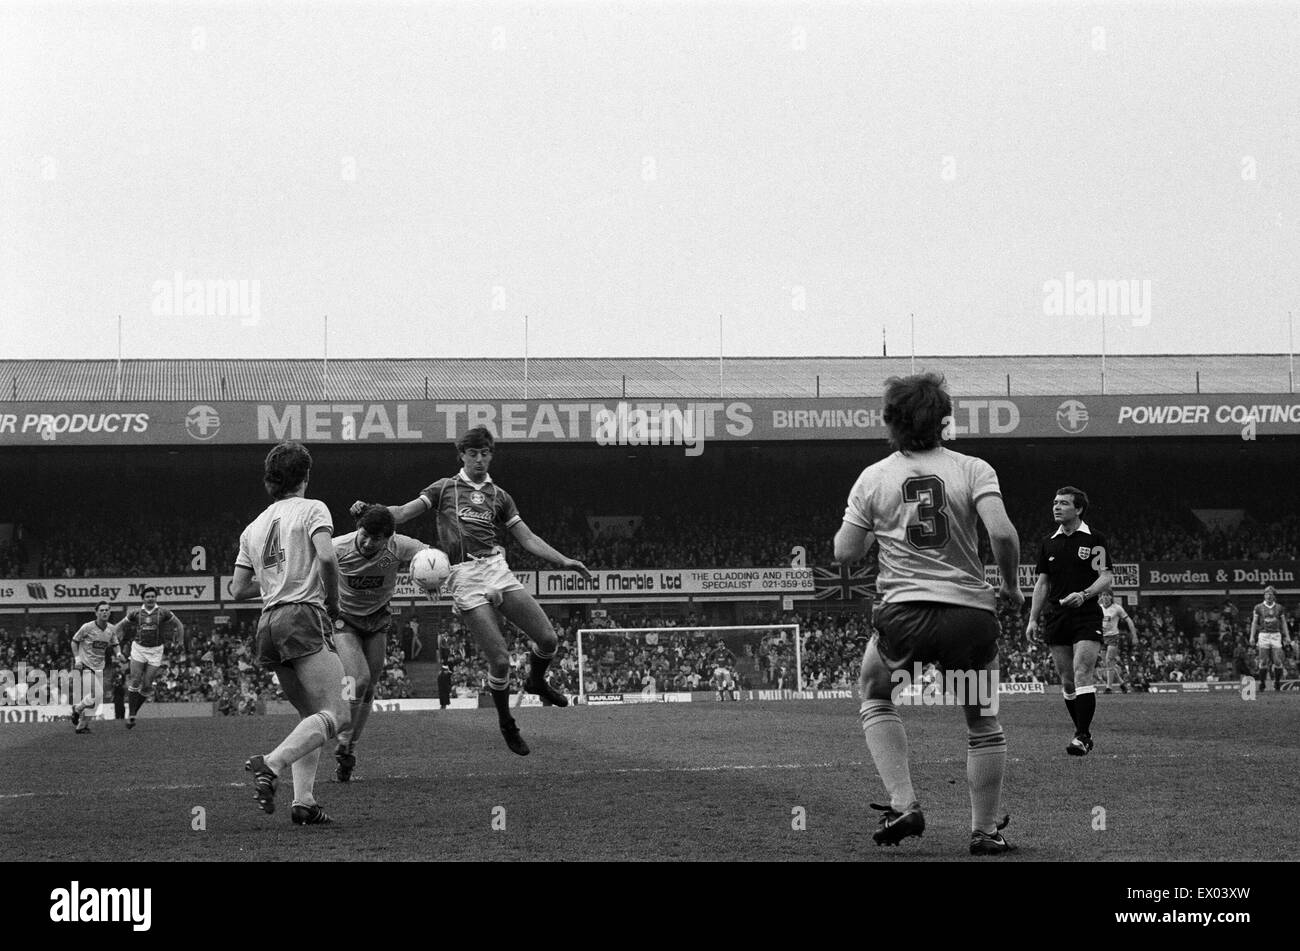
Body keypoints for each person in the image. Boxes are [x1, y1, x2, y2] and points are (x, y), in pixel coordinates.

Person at [835, 372, 1022, 856]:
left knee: (876, 692)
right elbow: (1002, 534)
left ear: (890, 422)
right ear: (944, 421)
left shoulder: (874, 477)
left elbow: (844, 552)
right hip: (969, 618)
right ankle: (983, 832)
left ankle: (904, 802)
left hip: (906, 616)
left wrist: (879, 525)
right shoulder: (974, 468)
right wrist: (1010, 586)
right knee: (982, 720)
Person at [351, 425, 590, 756]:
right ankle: (507, 723)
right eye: (473, 453)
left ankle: (536, 681)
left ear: (491, 455)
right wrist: (371, 510)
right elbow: (404, 513)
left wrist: (564, 560)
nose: (479, 459)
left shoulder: (501, 497)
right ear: (462, 455)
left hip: (495, 569)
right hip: (463, 575)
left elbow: (528, 538)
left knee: (549, 639)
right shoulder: (445, 488)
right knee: (501, 661)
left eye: (485, 453)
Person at [230, 441, 351, 826]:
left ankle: (304, 802)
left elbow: (238, 589)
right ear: (305, 476)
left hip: (268, 623)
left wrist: (275, 582)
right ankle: (271, 763)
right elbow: (328, 556)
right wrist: (332, 603)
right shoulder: (312, 508)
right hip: (303, 615)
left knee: (311, 716)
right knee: (340, 714)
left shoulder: (254, 526)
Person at [330, 504, 429, 782]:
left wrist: (432, 575)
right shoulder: (338, 548)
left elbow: (430, 555)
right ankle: (341, 732)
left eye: (377, 539)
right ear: (358, 529)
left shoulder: (399, 547)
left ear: (388, 539)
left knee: (371, 686)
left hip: (377, 620)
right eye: (365, 535)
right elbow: (310, 567)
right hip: (344, 620)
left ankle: (349, 748)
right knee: (358, 680)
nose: (369, 542)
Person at [1025, 487, 1113, 756]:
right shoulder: (1048, 543)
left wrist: (1085, 594)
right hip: (1057, 615)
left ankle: (1082, 735)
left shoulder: (1094, 539)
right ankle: (1082, 735)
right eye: (1054, 502)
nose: (1056, 506)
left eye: (1063, 503)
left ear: (1079, 509)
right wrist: (1032, 619)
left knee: (1082, 670)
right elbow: (1042, 583)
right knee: (1067, 681)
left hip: (1086, 613)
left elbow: (1106, 577)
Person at [111, 586, 185, 728]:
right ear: (143, 599)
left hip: (156, 651)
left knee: (147, 686)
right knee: (135, 680)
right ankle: (131, 715)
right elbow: (118, 626)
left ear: (156, 598)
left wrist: (180, 642)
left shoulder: (163, 612)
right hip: (139, 649)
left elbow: (179, 625)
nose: (150, 598)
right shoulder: (136, 613)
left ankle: (134, 712)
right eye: (148, 596)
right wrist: (114, 640)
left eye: (153, 596)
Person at [69, 601, 124, 733]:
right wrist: (77, 659)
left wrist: (119, 653)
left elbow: (115, 643)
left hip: (99, 667)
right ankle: (78, 711)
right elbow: (74, 642)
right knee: (98, 693)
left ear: (110, 612)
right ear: (96, 613)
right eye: (101, 610)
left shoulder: (111, 629)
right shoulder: (87, 627)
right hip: (85, 665)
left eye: (107, 610)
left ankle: (81, 723)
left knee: (97, 698)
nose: (104, 612)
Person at [1251, 586, 1289, 692]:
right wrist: (1251, 637)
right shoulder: (1258, 607)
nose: (1268, 595)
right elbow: (1254, 622)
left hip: (1275, 635)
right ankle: (1262, 684)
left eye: (1271, 594)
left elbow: (1284, 623)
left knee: (1277, 660)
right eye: (1266, 593)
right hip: (1263, 635)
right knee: (1263, 661)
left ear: (1274, 596)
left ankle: (1277, 683)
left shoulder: (1279, 607)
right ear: (1264, 595)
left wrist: (1287, 636)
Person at [1098, 592, 1136, 693]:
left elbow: (1129, 621)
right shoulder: (1099, 607)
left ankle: (1109, 688)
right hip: (1102, 637)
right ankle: (1121, 683)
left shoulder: (1117, 608)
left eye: (1107, 595)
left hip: (1113, 636)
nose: (1105, 597)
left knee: (1109, 660)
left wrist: (1134, 635)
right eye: (1103, 595)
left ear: (1111, 597)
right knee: (1107, 664)